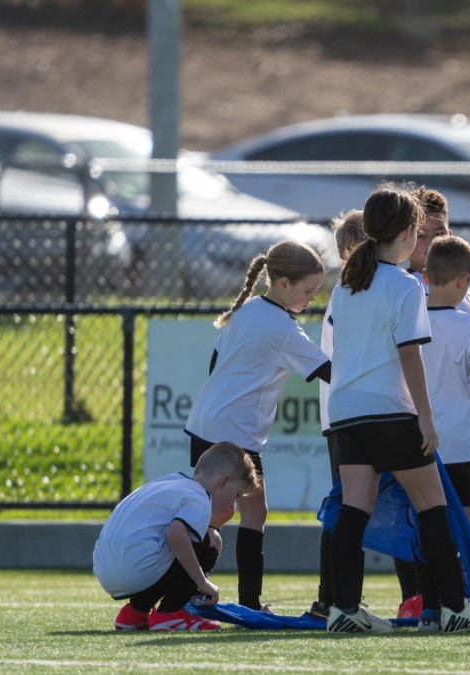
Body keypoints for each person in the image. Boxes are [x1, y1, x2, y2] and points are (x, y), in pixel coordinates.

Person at [325, 185, 470, 633]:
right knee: (433, 506)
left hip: (347, 412)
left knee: (354, 509)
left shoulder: (346, 286)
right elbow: (409, 355)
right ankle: (455, 606)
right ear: (408, 233)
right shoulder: (405, 285)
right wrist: (424, 416)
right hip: (390, 410)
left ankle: (342, 609)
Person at [183, 240, 332, 611]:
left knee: (208, 514)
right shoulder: (282, 328)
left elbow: (215, 362)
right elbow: (331, 371)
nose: (312, 299)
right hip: (233, 433)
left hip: (205, 422)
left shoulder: (247, 309)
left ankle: (191, 593)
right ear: (282, 283)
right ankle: (238, 601)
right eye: (308, 291)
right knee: (242, 513)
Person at [411, 235, 470, 629]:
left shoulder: (411, 326)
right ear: (464, 281)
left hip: (427, 445)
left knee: (431, 524)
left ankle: (431, 607)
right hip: (469, 443)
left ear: (427, 276)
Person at [94, 442, 259, 632]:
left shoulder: (170, 482)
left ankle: (134, 613)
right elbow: (176, 533)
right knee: (212, 540)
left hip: (104, 570)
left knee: (172, 547)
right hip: (137, 569)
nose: (232, 505)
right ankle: (169, 614)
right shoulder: (200, 498)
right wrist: (201, 582)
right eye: (236, 495)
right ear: (223, 482)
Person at [309, 210, 383, 621]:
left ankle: (336, 597)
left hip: (350, 413)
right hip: (347, 417)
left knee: (352, 504)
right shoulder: (350, 293)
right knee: (344, 504)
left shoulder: (354, 291)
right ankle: (330, 597)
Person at [408, 186, 470, 316]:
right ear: (407, 238)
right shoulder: (404, 288)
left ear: (450, 236)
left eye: (439, 234)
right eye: (421, 235)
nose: (431, 243)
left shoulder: (464, 288)